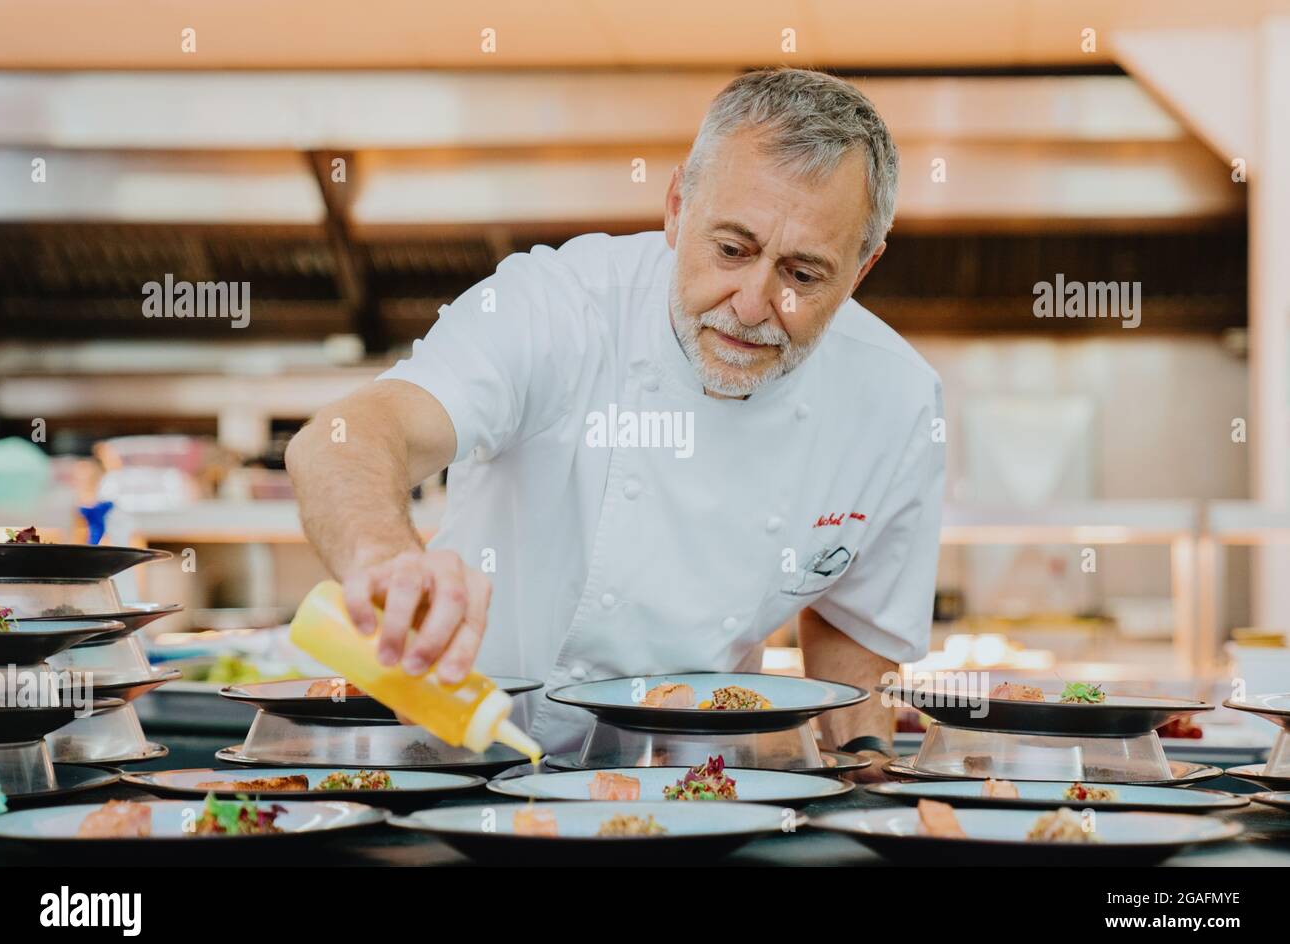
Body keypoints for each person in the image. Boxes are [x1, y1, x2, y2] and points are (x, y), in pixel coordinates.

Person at [285, 67, 945, 772]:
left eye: (804, 275)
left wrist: (867, 761)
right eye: (732, 249)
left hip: (694, 784)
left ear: (862, 269)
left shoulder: (896, 399)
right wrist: (387, 561)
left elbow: (852, 623)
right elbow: (345, 438)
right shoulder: (558, 305)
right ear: (675, 206)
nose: (754, 305)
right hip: (455, 759)